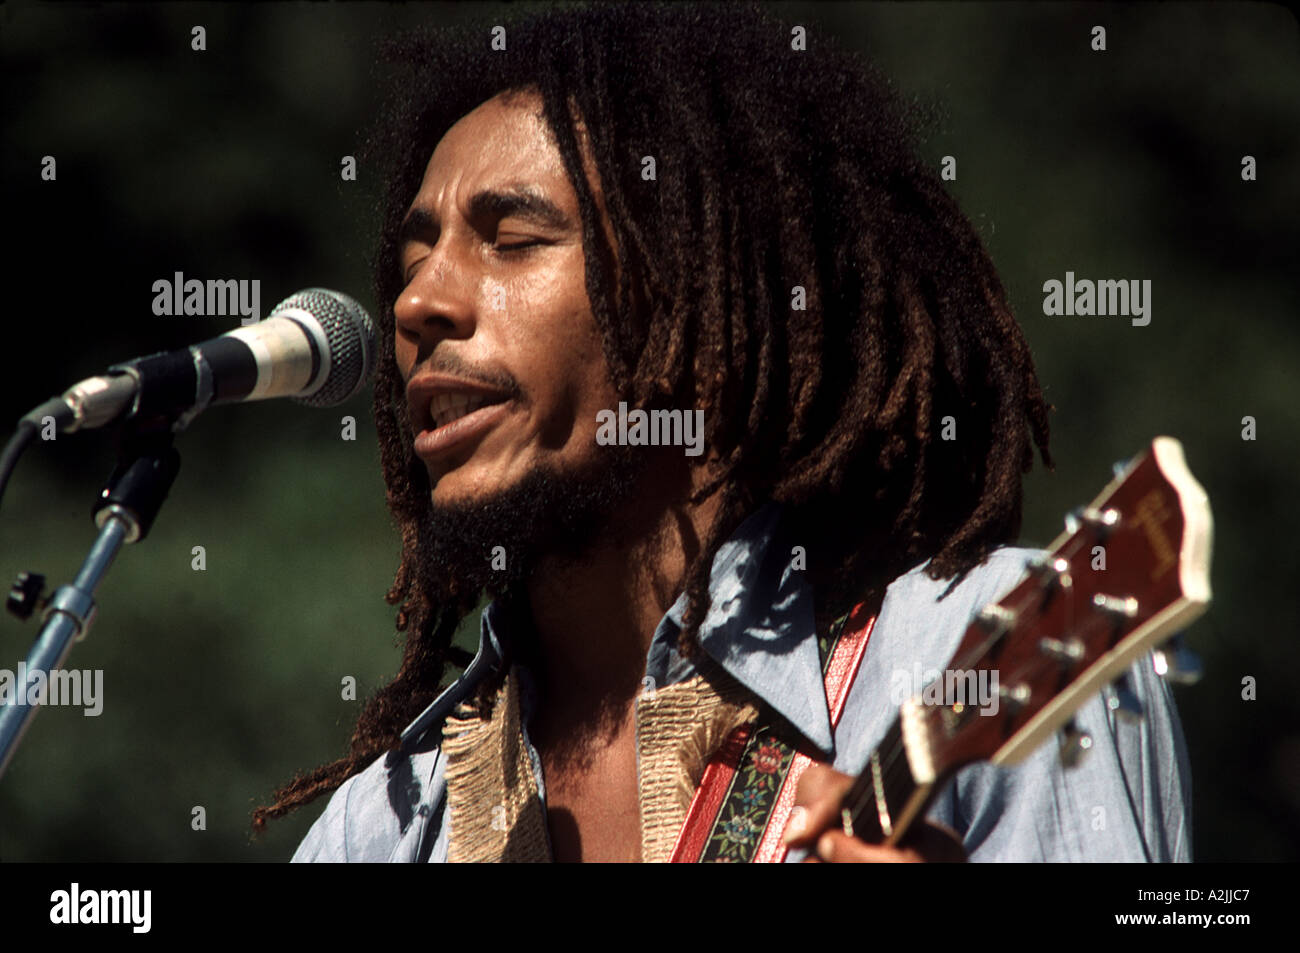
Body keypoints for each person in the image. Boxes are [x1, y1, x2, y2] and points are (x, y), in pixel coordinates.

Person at [257, 2, 1190, 862]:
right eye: (415, 257)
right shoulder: (386, 822)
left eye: (511, 238)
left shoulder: (977, 651)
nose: (418, 302)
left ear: (689, 297)